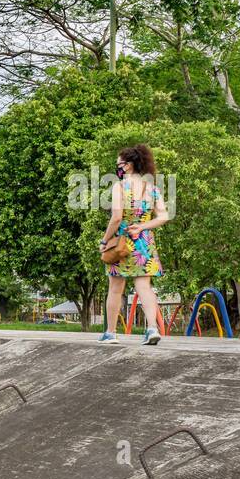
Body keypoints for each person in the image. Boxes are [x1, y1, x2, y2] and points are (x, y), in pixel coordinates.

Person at [99, 144, 168, 345]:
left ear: (127, 166)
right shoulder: (152, 188)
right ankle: (152, 329)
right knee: (144, 288)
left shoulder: (119, 187)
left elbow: (116, 218)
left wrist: (104, 241)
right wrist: (142, 227)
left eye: (119, 164)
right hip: (143, 243)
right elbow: (163, 216)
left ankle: (110, 333)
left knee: (115, 288)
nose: (117, 168)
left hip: (121, 243)